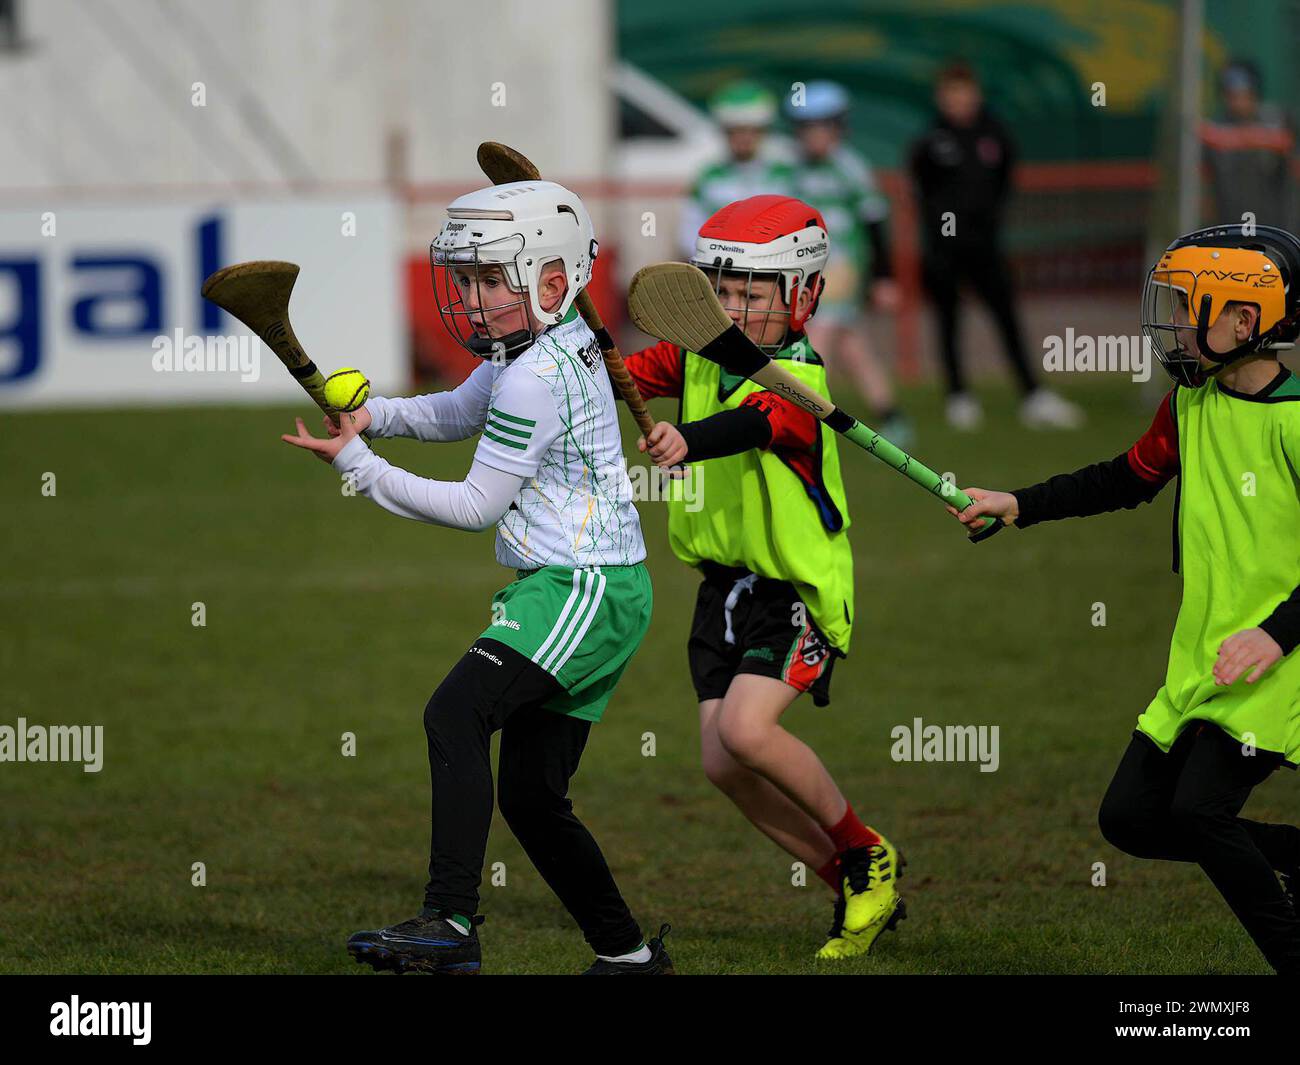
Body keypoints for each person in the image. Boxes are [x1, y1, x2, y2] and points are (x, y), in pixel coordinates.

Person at [281, 179, 671, 975]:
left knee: (453, 713)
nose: (470, 296)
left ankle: (450, 923)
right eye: (465, 278)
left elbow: (472, 504)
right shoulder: (532, 352)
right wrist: (374, 417)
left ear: (553, 284)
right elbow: (460, 411)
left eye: (490, 279)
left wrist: (357, 464)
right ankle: (627, 956)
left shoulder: (536, 373)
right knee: (531, 798)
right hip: (587, 585)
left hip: (582, 587)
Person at [949, 223, 1300, 974]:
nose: (1174, 323)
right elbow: (1124, 478)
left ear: (1247, 321)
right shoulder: (1191, 404)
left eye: (1191, 306)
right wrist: (1019, 502)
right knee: (1132, 818)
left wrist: (1275, 633)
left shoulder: (1297, 419)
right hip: (1204, 657)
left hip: (1281, 660)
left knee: (1202, 811)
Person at [623, 193, 906, 960]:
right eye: (726, 291)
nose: (737, 308)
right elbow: (629, 374)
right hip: (725, 590)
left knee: (749, 730)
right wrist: (579, 362)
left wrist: (689, 437)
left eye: (755, 293)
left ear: (805, 297)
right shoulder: (695, 353)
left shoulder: (801, 375)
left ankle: (864, 850)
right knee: (722, 760)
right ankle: (848, 878)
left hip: (797, 589)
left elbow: (757, 422)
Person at [909, 61, 1083, 431]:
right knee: (949, 321)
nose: (958, 101)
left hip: (986, 247)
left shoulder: (995, 134)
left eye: (964, 92)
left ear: (976, 93)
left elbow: (1004, 182)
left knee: (1006, 317)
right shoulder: (930, 141)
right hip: (945, 250)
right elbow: (923, 194)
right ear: (941, 98)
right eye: (950, 94)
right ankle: (958, 397)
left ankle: (1033, 396)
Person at [785, 80, 913, 447]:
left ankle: (802, 416)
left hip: (841, 269)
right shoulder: (790, 168)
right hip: (806, 271)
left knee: (817, 340)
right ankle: (891, 414)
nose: (812, 136)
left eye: (820, 127)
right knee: (854, 347)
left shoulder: (850, 168)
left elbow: (875, 223)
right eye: (804, 128)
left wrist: (884, 278)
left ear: (838, 128)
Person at [680, 81, 796, 258]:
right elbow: (688, 232)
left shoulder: (785, 175)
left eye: (751, 130)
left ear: (764, 131)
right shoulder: (708, 177)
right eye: (735, 130)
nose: (744, 138)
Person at [1202, 59, 1297, 233]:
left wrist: (1231, 138)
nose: (1238, 102)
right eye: (1231, 95)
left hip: (1275, 228)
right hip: (1230, 224)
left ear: (1254, 94)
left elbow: (1285, 143)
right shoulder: (1217, 124)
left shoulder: (1276, 119)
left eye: (1243, 95)